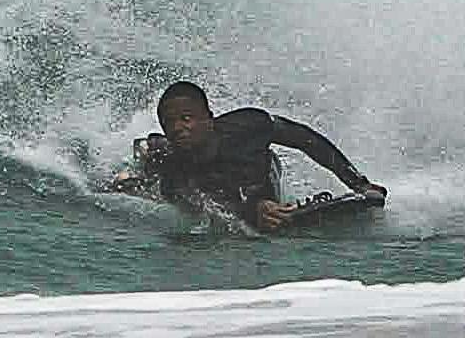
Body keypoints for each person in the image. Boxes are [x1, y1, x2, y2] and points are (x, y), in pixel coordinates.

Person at [114, 80, 384, 232]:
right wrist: (250, 213)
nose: (178, 128)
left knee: (254, 186)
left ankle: (271, 207)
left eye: (187, 118)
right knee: (151, 165)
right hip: (209, 180)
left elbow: (305, 139)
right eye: (169, 123)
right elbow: (201, 204)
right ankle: (146, 149)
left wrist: (357, 182)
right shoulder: (174, 168)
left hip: (258, 168)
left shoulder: (248, 126)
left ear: (209, 118)